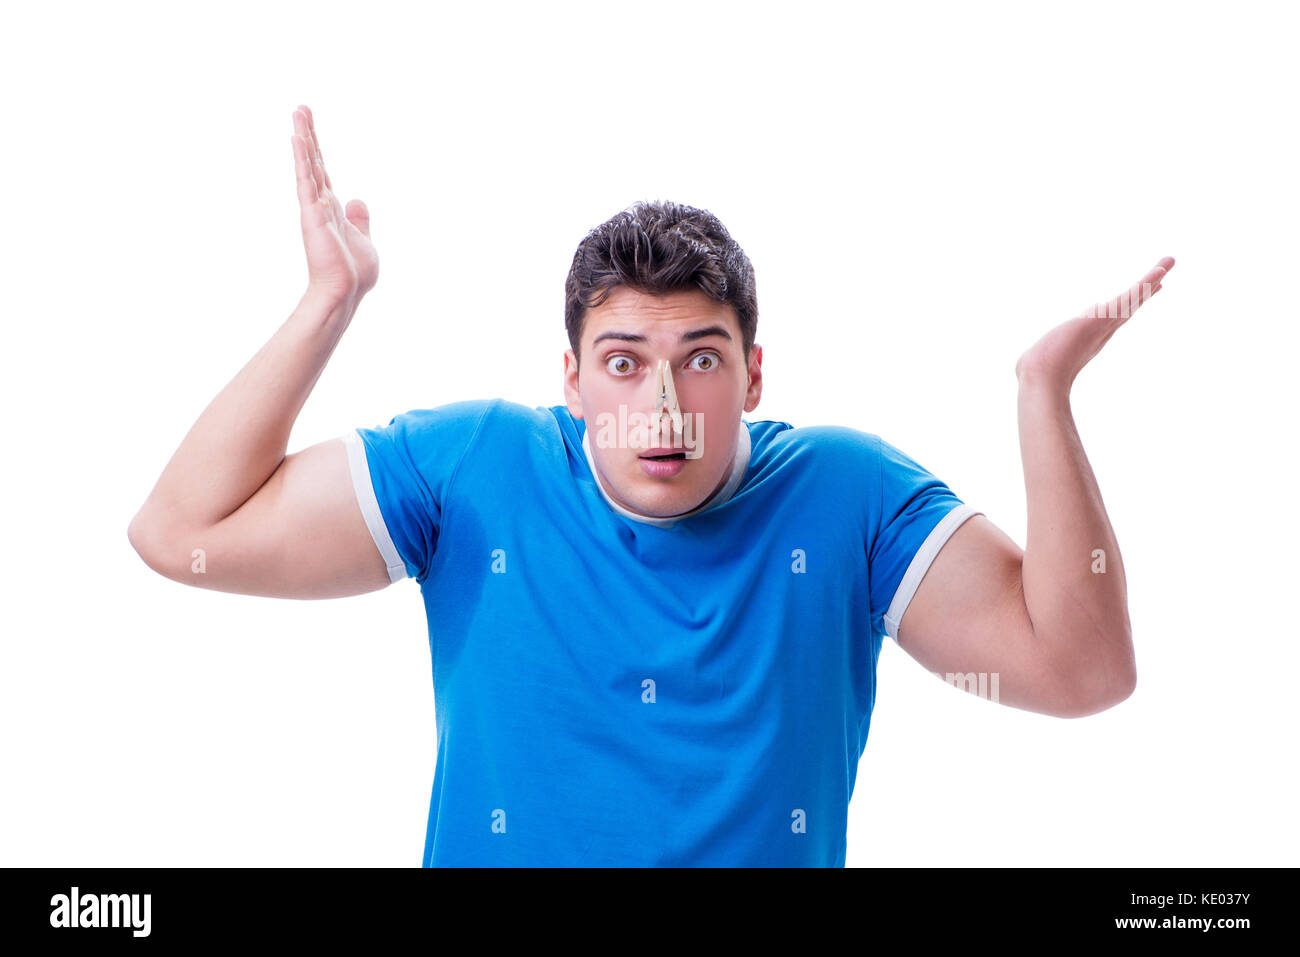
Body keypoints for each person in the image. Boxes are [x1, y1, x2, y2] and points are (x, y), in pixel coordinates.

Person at [128, 104, 1173, 867]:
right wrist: (328, 303)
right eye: (624, 362)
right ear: (571, 379)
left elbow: (1081, 673)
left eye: (702, 360)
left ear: (754, 375)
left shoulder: (844, 497)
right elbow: (183, 532)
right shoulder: (473, 470)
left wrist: (1044, 393)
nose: (663, 407)